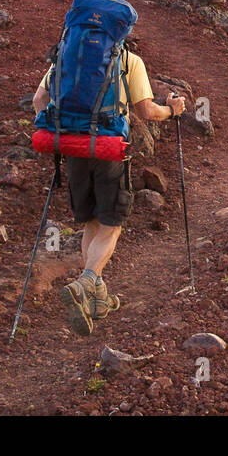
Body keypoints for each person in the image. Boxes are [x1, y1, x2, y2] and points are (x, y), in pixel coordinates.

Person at [32, 42, 186, 335]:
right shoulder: (128, 60)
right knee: (112, 224)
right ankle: (86, 281)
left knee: (91, 221)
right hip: (108, 150)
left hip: (73, 147)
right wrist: (172, 110)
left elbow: (40, 99)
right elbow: (147, 111)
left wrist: (54, 129)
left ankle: (97, 299)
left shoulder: (67, 55)